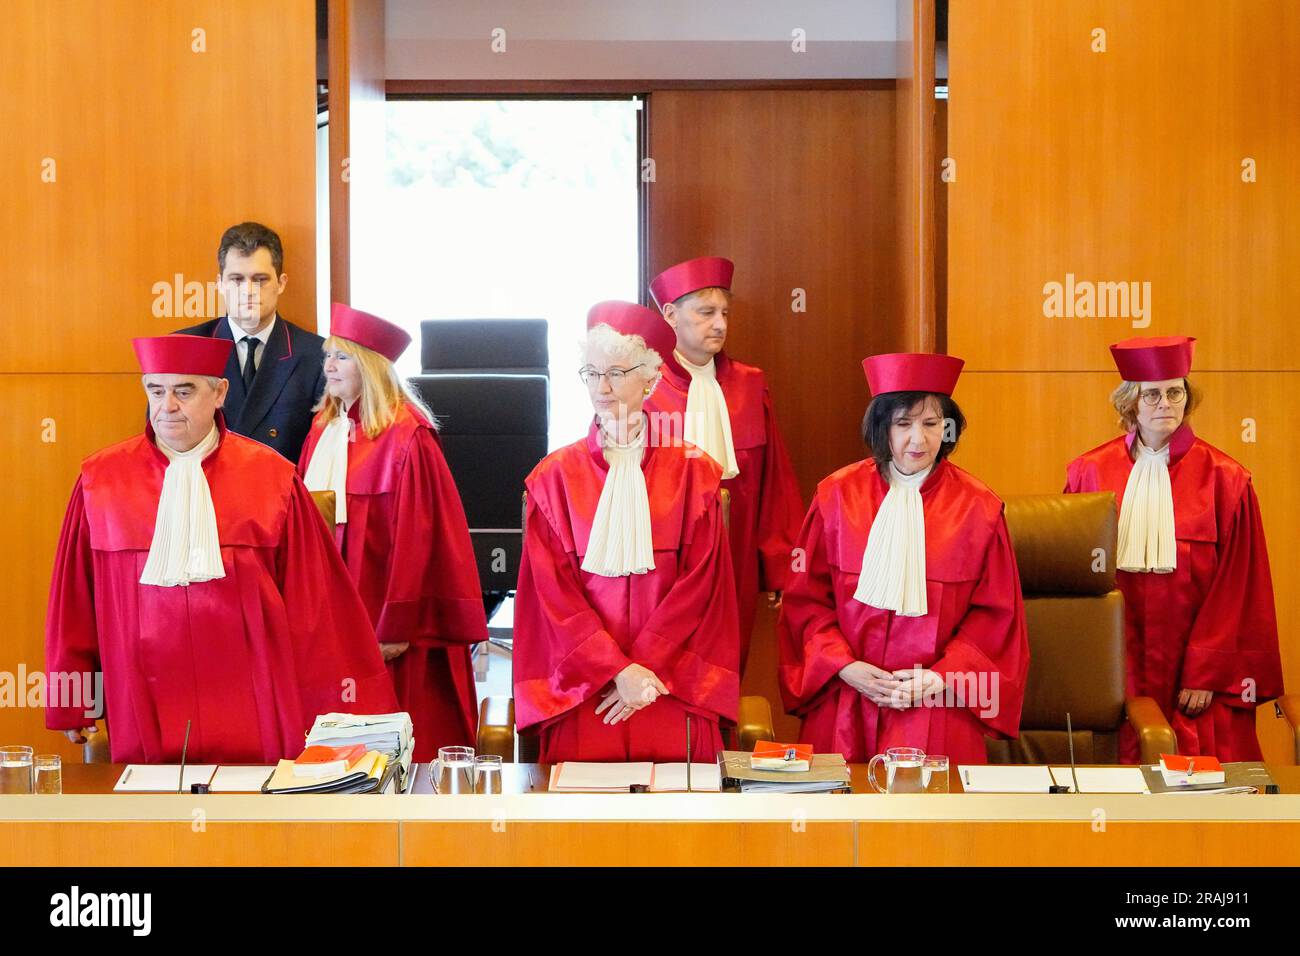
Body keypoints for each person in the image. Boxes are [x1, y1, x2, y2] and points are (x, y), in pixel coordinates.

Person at [45, 334, 397, 763]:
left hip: (254, 704)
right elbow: (74, 604)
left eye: (184, 391)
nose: (167, 406)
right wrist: (74, 699)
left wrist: (342, 712)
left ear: (219, 392)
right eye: (156, 391)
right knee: (154, 823)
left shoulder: (273, 478)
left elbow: (318, 608)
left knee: (253, 821)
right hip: (142, 701)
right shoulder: (101, 481)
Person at [512, 301, 740, 762]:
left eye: (617, 372)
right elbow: (551, 595)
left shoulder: (695, 474)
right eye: (591, 373)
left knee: (684, 826)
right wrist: (614, 671)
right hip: (587, 692)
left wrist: (645, 672)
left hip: (672, 687)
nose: (602, 387)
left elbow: (702, 589)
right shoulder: (553, 478)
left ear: (652, 379)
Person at [778, 353, 1029, 764]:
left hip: (936, 700)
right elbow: (805, 602)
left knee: (932, 823)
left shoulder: (979, 509)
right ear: (882, 429)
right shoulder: (836, 497)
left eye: (931, 424)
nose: (919, 440)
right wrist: (843, 665)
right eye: (903, 424)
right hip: (847, 696)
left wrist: (940, 677)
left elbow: (996, 617)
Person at [1064, 335, 1283, 761]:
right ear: (1131, 402)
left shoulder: (1226, 479)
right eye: (1152, 394)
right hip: (1118, 658)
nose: (1165, 403)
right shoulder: (1089, 472)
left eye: (1175, 392)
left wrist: (1206, 670)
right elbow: (1075, 582)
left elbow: (1240, 585)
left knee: (1194, 787)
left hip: (1193, 676)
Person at [299, 303, 487, 760]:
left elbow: (422, 540)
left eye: (342, 356)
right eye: (327, 355)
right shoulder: (323, 429)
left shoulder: (407, 437)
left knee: (396, 742)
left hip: (388, 622)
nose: (329, 366)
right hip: (333, 615)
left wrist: (397, 624)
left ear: (370, 364)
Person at [647, 257, 804, 672]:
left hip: (735, 556)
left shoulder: (749, 384)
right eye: (705, 313)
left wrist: (780, 563)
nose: (719, 324)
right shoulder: (645, 388)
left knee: (727, 668)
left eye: (724, 314)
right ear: (670, 314)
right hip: (666, 561)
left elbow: (775, 481)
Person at [177, 222, 325, 462]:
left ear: (282, 283)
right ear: (220, 284)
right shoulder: (185, 348)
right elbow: (164, 444)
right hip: (204, 493)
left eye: (260, 279)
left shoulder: (317, 356)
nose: (248, 291)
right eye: (236, 279)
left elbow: (324, 455)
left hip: (282, 493)